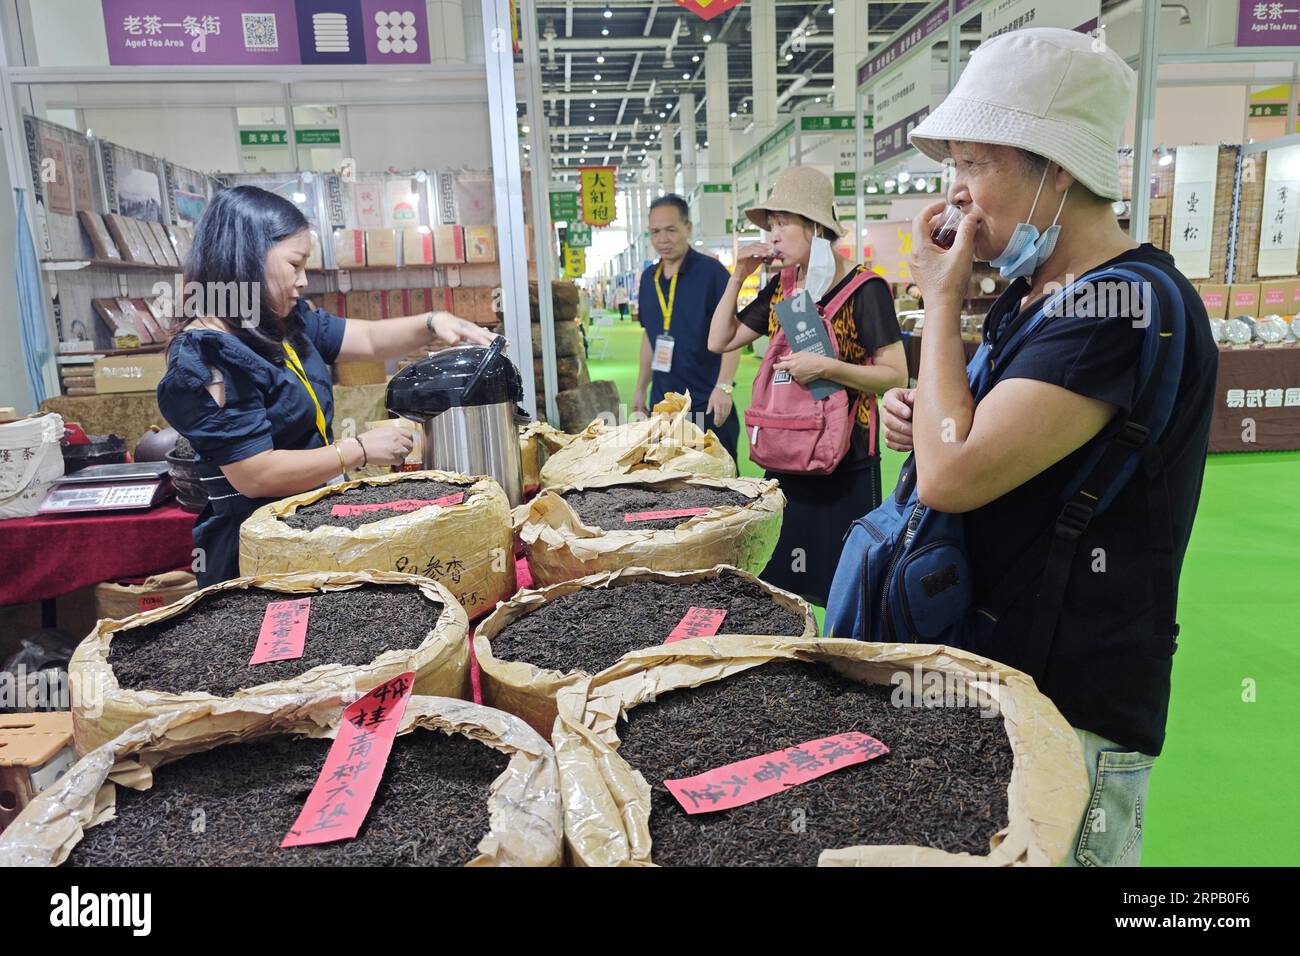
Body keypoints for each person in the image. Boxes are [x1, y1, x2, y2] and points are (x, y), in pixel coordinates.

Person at [886, 28, 1216, 866]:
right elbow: (965, 438)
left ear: (1057, 165)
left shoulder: (1113, 310)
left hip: (1073, 702)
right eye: (953, 167)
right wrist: (925, 409)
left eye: (976, 164)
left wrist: (938, 295)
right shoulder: (1039, 298)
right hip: (1007, 672)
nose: (956, 195)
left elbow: (952, 475)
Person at [157, 185, 499, 587]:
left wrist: (435, 322)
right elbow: (255, 474)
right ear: (245, 259)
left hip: (306, 522)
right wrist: (357, 451)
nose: (303, 281)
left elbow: (369, 339)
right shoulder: (208, 355)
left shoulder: (281, 322)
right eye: (295, 264)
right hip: (251, 548)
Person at [708, 166, 908, 606]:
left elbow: (896, 376)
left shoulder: (865, 289)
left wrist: (828, 368)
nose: (774, 235)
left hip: (847, 463)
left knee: (844, 591)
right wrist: (738, 276)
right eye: (771, 225)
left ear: (815, 227)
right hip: (785, 457)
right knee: (780, 589)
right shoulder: (784, 290)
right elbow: (719, 340)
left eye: (783, 223)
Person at [635, 194, 741, 463]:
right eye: (655, 232)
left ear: (688, 229)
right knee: (669, 490)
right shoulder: (649, 279)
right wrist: (639, 389)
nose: (663, 239)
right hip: (664, 408)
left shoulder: (712, 273)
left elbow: (733, 335)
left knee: (720, 489)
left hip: (707, 404)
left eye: (671, 230)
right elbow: (650, 336)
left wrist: (724, 386)